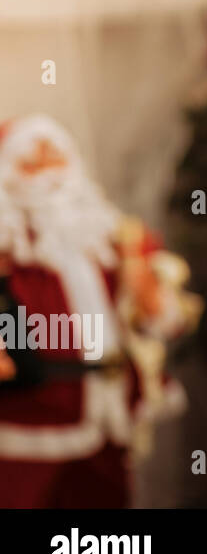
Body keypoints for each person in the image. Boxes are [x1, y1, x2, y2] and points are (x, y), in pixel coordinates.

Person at [0, 114, 194, 507]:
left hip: (109, 410)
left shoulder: (113, 236)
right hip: (31, 415)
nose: (49, 175)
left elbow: (163, 318)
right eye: (32, 163)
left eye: (57, 159)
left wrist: (136, 269)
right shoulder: (10, 245)